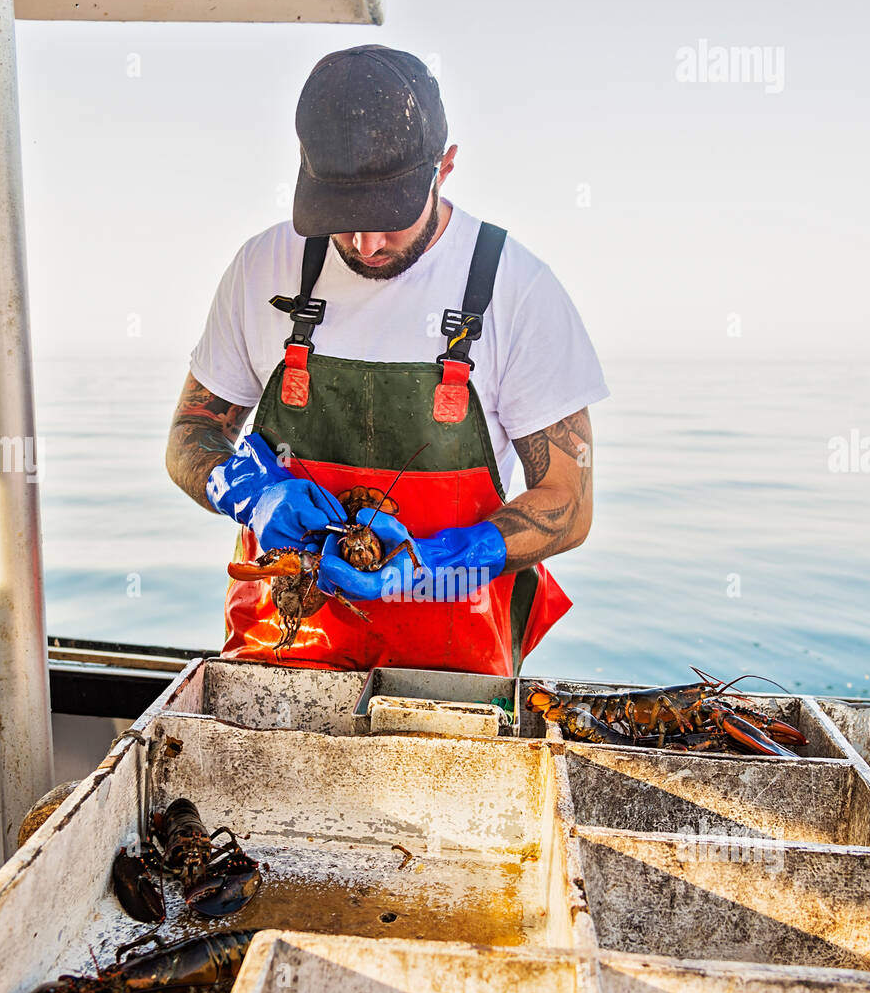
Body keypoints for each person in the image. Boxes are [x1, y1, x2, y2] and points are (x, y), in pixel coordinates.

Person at [166, 45, 609, 673]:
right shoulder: (259, 268)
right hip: (280, 652)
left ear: (445, 167)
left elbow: (570, 501)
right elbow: (190, 436)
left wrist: (442, 561)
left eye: (390, 218)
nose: (367, 243)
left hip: (451, 663)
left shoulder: (518, 288)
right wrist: (250, 492)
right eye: (344, 218)